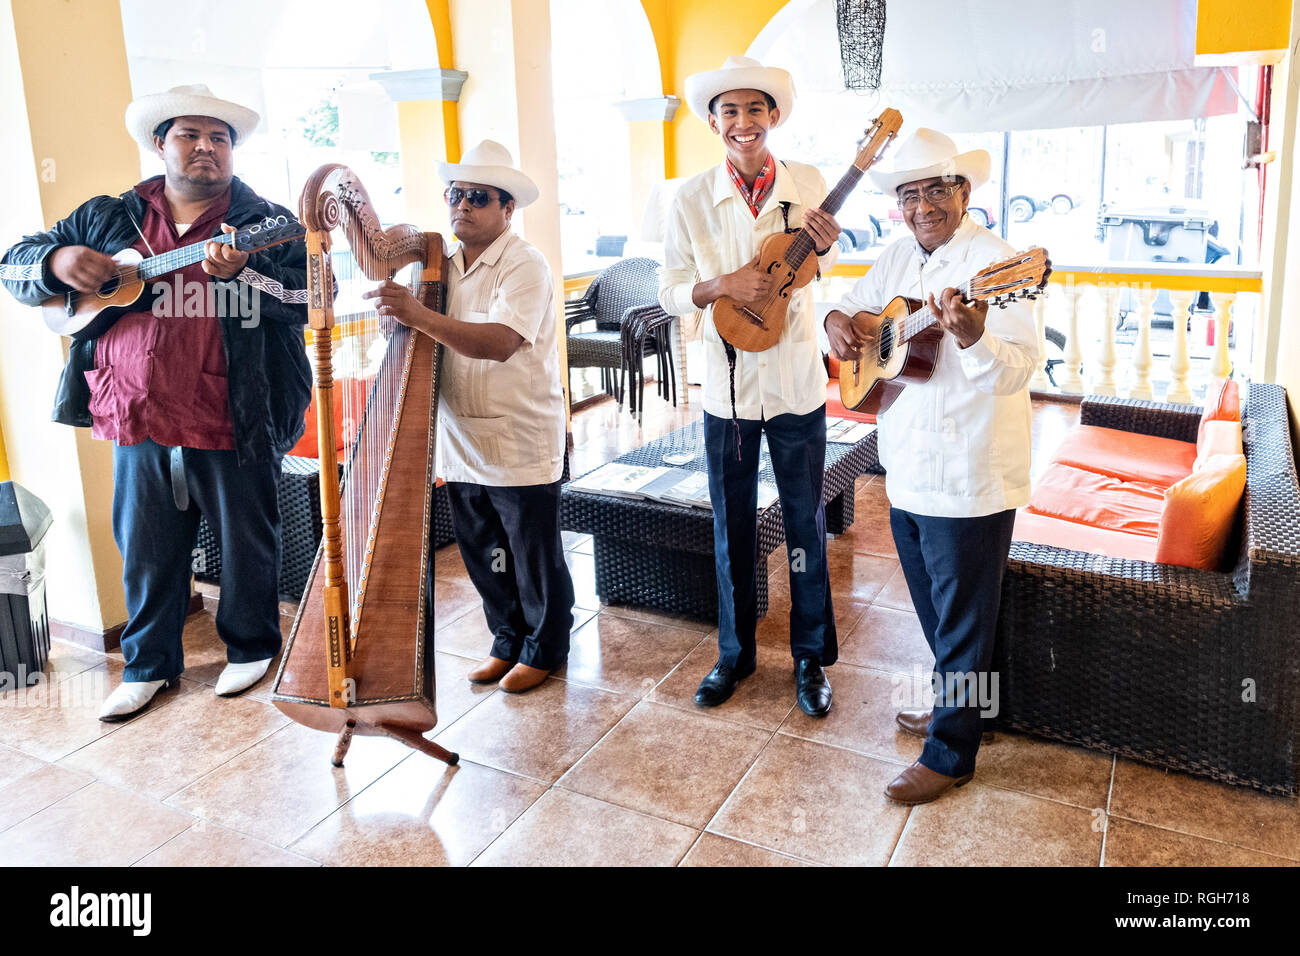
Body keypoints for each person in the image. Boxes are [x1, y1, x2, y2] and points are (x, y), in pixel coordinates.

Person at [0, 84, 311, 720]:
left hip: (234, 412)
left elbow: (306, 305)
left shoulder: (266, 222)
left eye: (219, 138)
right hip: (135, 410)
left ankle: (251, 647)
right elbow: (14, 264)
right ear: (159, 143)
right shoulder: (107, 217)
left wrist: (244, 275)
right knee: (144, 546)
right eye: (190, 135)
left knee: (247, 541)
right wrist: (59, 261)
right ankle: (148, 665)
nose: (206, 147)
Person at [824, 128, 1040, 804]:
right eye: (909, 194)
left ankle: (951, 750)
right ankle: (971, 705)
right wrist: (836, 318)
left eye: (936, 190)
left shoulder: (999, 264)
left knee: (962, 616)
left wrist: (973, 335)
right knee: (942, 614)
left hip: (969, 474)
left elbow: (1018, 371)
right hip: (907, 468)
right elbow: (855, 308)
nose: (922, 205)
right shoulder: (895, 257)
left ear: (963, 192)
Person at [658, 56, 842, 717]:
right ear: (713, 122)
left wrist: (830, 243)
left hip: (795, 383)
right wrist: (720, 286)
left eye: (755, 110)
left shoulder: (810, 181)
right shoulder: (687, 197)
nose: (743, 123)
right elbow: (670, 287)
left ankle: (810, 659)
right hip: (728, 395)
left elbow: (821, 266)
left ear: (774, 117)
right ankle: (733, 655)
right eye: (729, 111)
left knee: (804, 527)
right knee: (732, 528)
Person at [364, 140, 573, 695]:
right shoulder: (441, 267)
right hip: (461, 439)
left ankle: (545, 648)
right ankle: (506, 640)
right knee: (484, 552)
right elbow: (423, 335)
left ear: (507, 209)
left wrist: (418, 313)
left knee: (533, 556)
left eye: (477, 197)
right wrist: (398, 320)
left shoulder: (524, 263)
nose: (461, 206)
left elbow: (501, 343)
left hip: (518, 432)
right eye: (454, 195)